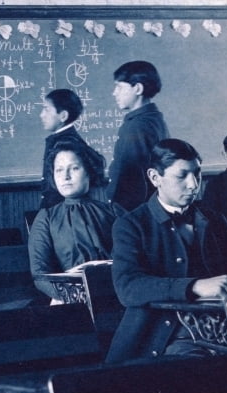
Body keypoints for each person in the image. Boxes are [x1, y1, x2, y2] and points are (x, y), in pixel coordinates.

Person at [106, 139, 227, 364]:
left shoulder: (215, 219)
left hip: (222, 327)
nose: (193, 184)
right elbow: (128, 287)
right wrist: (195, 286)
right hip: (164, 336)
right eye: (182, 176)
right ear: (154, 177)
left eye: (197, 174)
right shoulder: (131, 225)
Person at [29, 141, 124, 300]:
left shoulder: (113, 212)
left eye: (74, 168)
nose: (65, 176)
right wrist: (74, 297)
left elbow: (134, 258)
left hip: (118, 292)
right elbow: (40, 275)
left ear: (89, 171)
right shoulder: (47, 218)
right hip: (70, 298)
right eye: (59, 170)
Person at [105, 60, 170, 211]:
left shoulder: (136, 126)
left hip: (130, 211)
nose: (114, 92)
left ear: (138, 88)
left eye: (120, 86)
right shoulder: (153, 119)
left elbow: (131, 178)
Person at [38, 88, 96, 208]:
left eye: (46, 109)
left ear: (63, 116)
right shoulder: (59, 139)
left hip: (63, 211)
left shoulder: (67, 143)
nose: (42, 115)